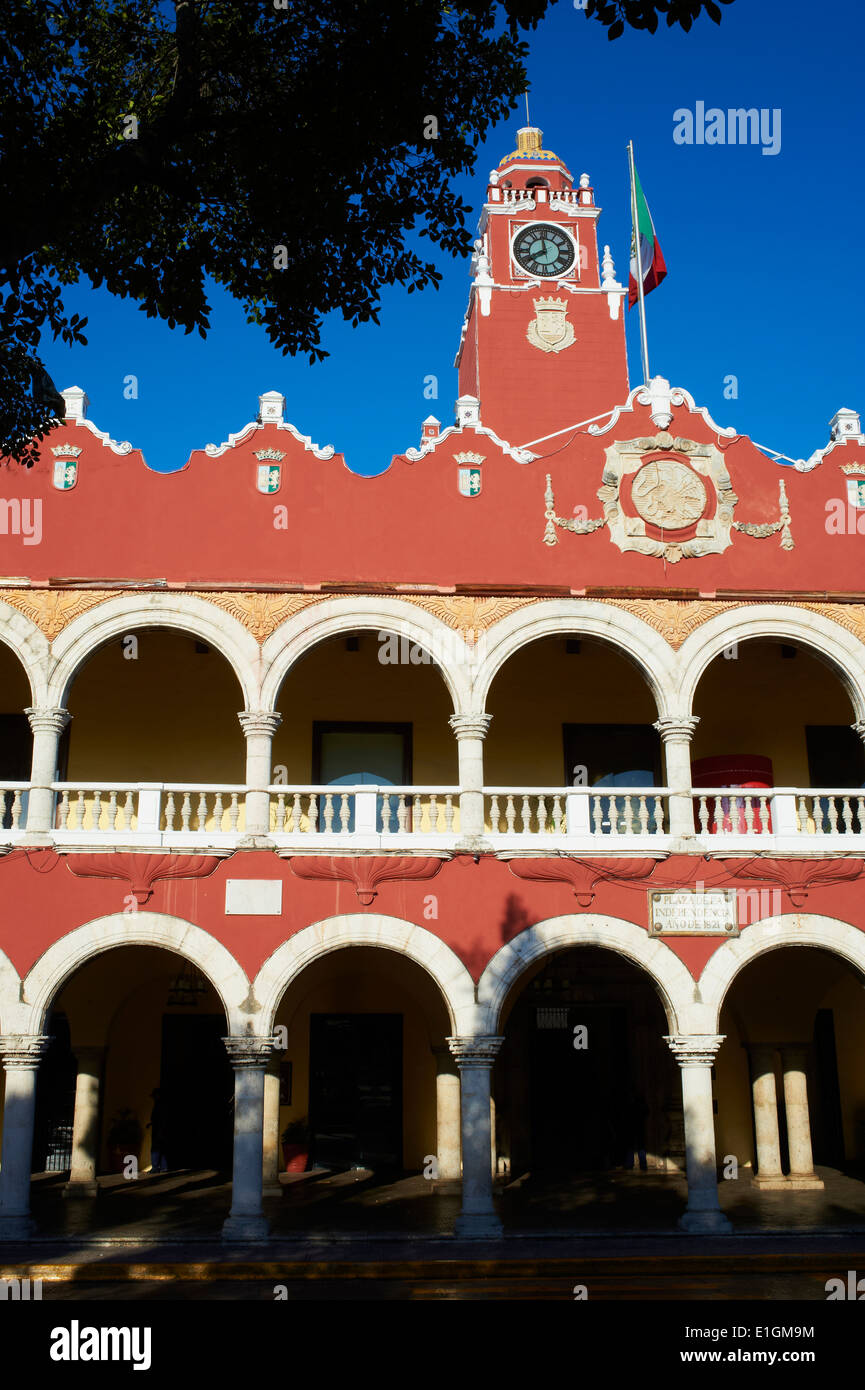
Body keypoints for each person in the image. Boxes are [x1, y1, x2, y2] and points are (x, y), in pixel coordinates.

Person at [147, 1088, 169, 1172]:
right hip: (161, 1129)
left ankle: (155, 1167)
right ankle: (164, 1167)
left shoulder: (159, 1105)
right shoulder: (162, 1105)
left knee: (156, 1149)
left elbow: (160, 1119)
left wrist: (160, 1130)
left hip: (159, 1130)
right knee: (162, 1148)